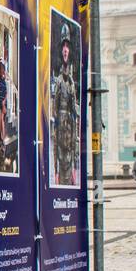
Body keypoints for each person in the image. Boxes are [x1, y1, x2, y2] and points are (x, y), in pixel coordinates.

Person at [51, 22, 80, 186]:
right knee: (60, 154)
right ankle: (58, 176)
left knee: (69, 154)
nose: (65, 49)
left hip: (69, 124)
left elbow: (74, 107)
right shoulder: (58, 79)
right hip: (60, 124)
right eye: (63, 46)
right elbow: (55, 107)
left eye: (68, 46)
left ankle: (70, 178)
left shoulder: (71, 82)